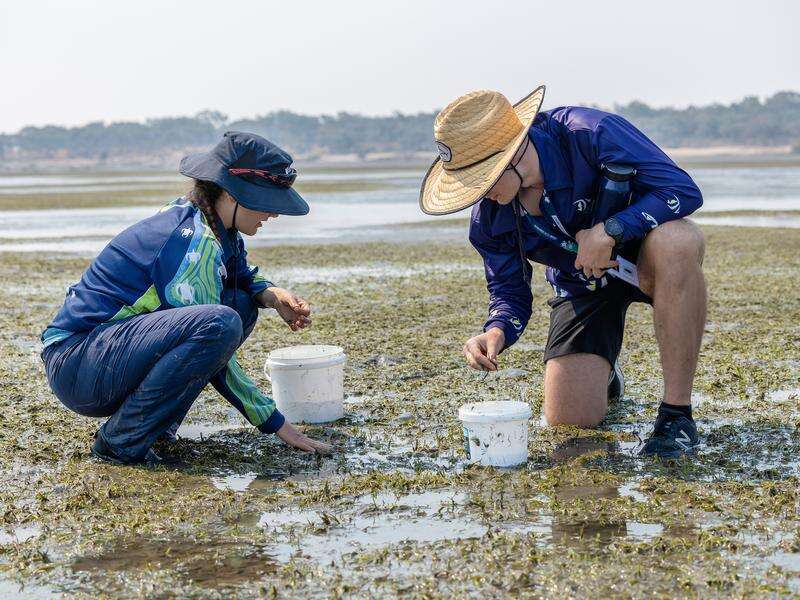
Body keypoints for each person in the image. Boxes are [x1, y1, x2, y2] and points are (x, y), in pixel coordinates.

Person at [419, 87, 707, 458]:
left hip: (649, 260)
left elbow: (683, 190)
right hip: (581, 285)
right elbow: (509, 292)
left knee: (678, 240)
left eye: (481, 182)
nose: (477, 196)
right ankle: (606, 373)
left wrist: (611, 230)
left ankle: (676, 415)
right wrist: (496, 330)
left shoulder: (592, 132)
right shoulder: (488, 219)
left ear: (513, 154)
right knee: (568, 421)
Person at [41, 131, 331, 466]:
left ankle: (154, 428)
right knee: (221, 322)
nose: (273, 213)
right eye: (267, 201)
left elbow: (237, 273)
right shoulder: (195, 243)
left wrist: (272, 294)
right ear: (232, 193)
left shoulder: (209, 221)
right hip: (78, 363)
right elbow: (216, 346)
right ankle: (121, 442)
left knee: (240, 303)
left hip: (101, 354)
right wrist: (276, 423)